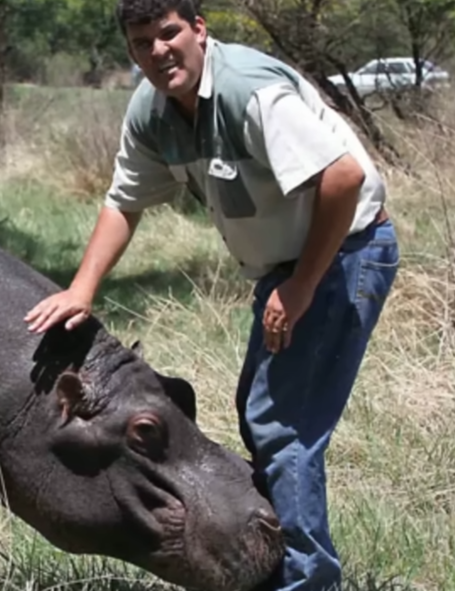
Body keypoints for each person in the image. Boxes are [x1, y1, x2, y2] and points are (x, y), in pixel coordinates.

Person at [23, 1, 400, 590]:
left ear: (199, 29)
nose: (157, 51)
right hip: (287, 269)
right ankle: (272, 563)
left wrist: (301, 287)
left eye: (168, 33)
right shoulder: (153, 110)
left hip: (343, 253)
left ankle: (306, 582)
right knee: (264, 415)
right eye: (141, 40)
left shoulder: (248, 90)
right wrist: (82, 288)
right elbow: (125, 201)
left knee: (281, 427)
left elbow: (344, 178)